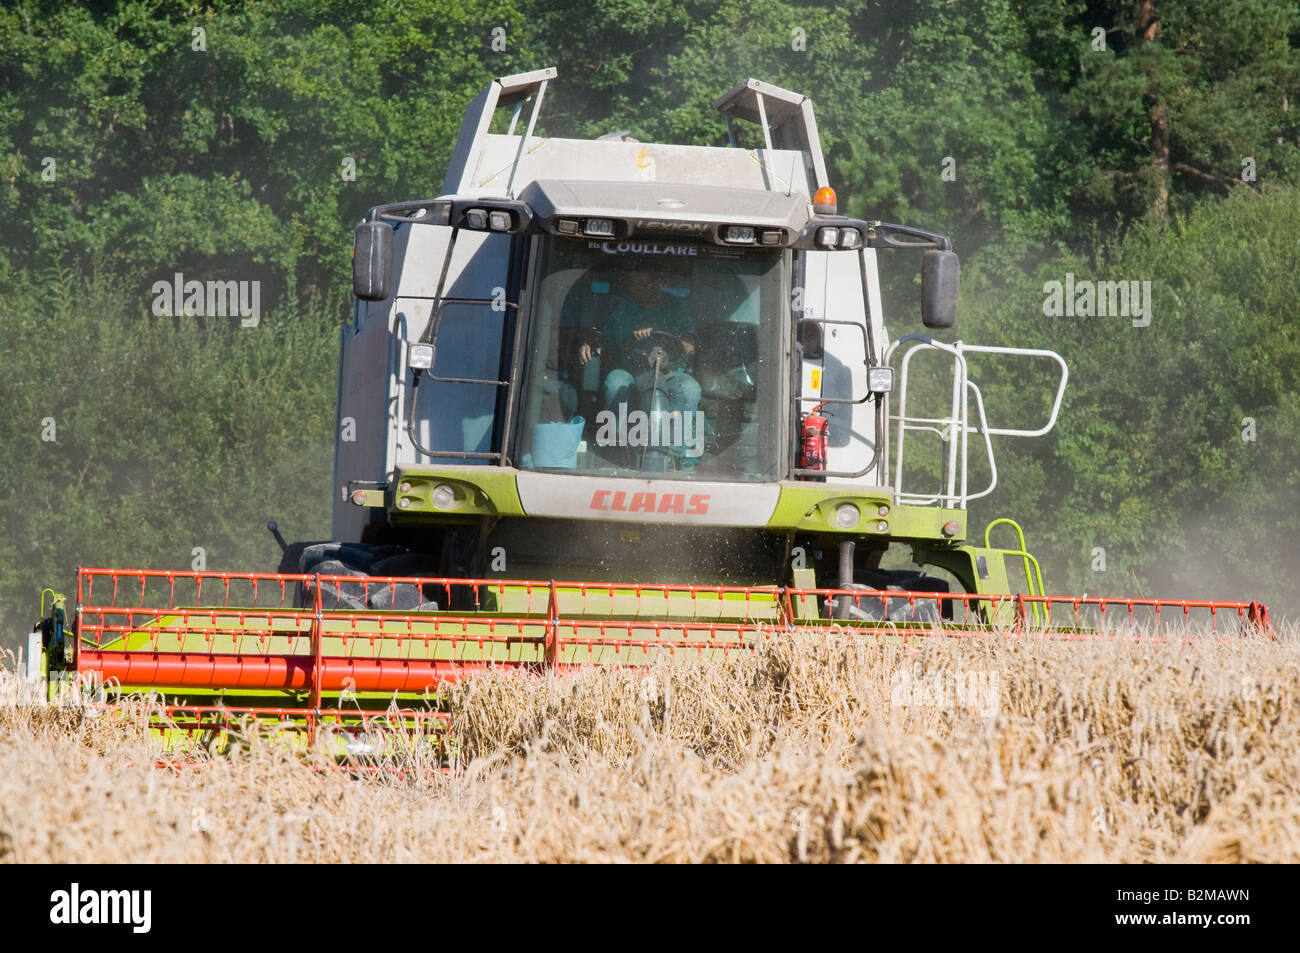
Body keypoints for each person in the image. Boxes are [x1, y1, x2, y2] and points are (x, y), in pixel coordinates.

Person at [581, 265, 702, 424]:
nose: (634, 289)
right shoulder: (623, 308)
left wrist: (663, 331)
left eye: (641, 284)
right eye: (632, 284)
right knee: (615, 383)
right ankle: (618, 444)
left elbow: (690, 347)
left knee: (690, 389)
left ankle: (674, 447)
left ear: (657, 283)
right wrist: (590, 343)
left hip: (669, 373)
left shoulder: (676, 307)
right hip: (630, 372)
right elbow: (607, 342)